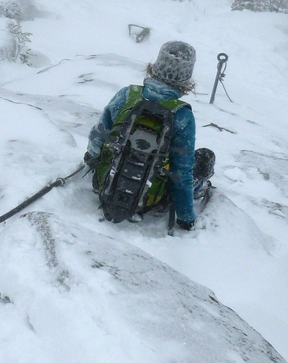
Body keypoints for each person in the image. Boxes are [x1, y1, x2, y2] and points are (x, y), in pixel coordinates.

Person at [84, 41, 215, 230]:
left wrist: (92, 159)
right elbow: (181, 173)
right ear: (186, 78)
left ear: (155, 66)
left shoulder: (127, 95)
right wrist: (186, 217)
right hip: (149, 197)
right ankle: (198, 189)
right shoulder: (182, 116)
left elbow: (97, 136)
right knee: (205, 157)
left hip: (104, 182)